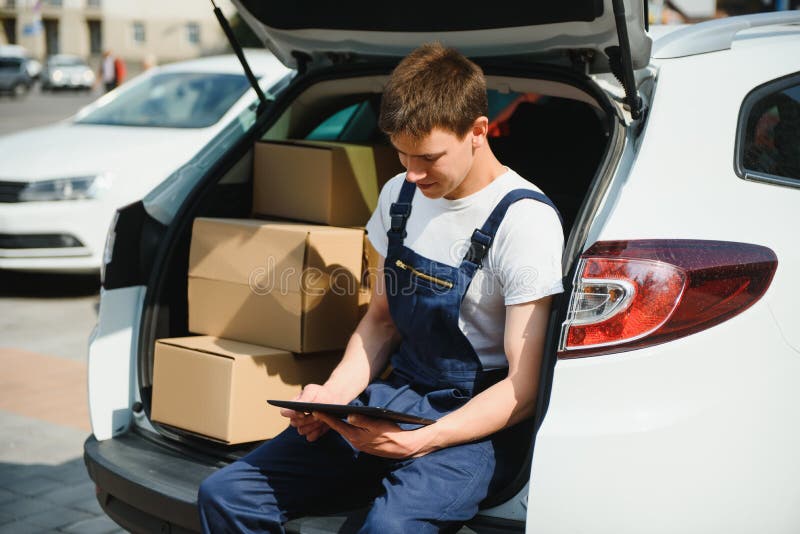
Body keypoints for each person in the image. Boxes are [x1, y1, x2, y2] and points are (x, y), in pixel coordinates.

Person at [197, 42, 564, 533]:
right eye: (401, 154)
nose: (412, 172)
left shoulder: (526, 222)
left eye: (428, 157)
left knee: (389, 528)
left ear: (478, 132)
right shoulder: (400, 197)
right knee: (226, 494)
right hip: (395, 398)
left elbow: (524, 386)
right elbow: (380, 322)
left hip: (473, 425)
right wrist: (329, 399)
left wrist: (423, 440)